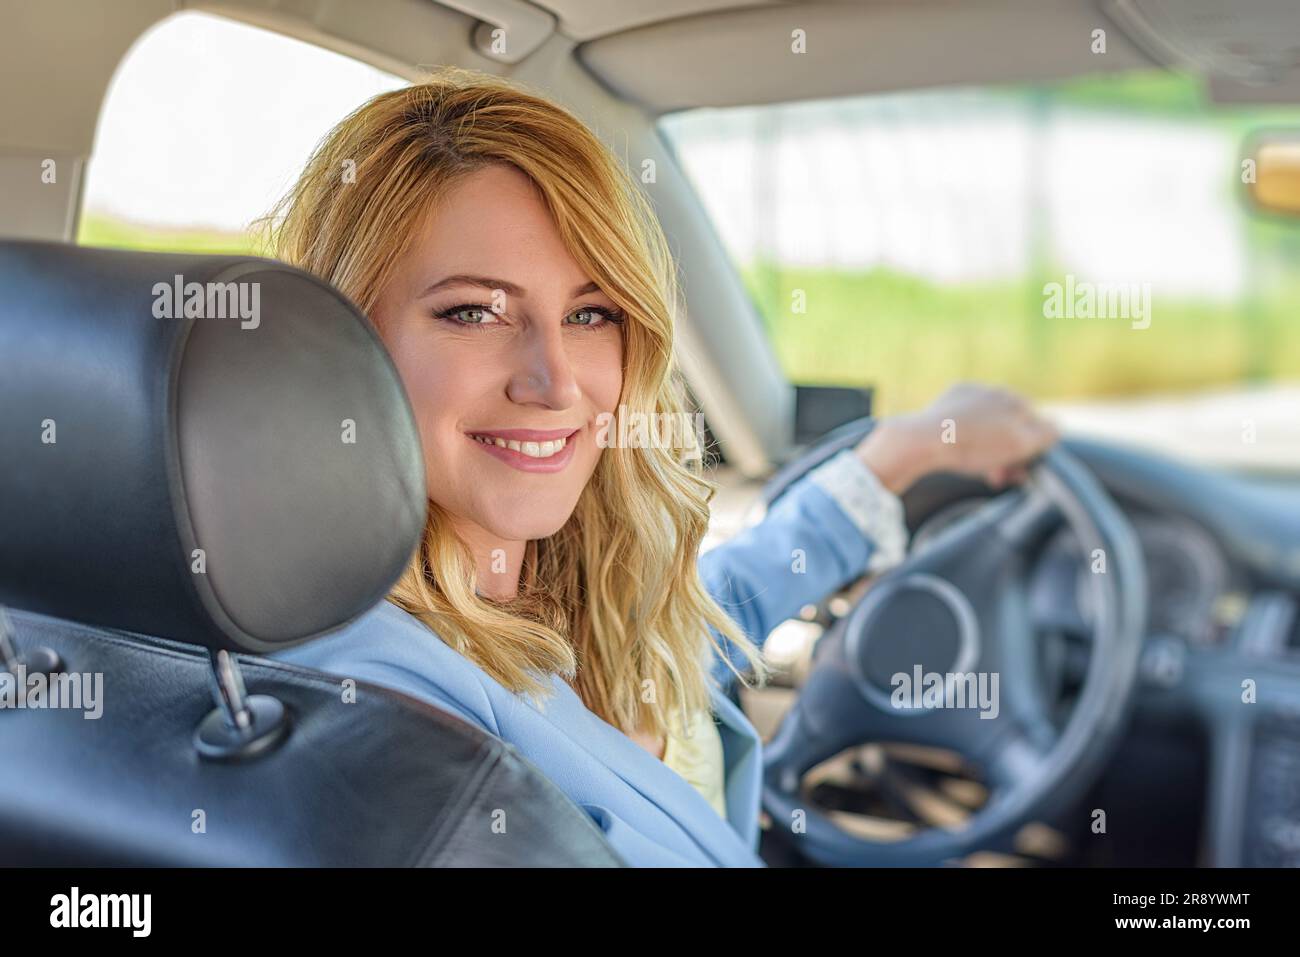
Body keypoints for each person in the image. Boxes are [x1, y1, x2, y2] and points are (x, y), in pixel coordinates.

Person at [265, 66, 1058, 866]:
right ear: (345, 337)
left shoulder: (546, 586)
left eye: (590, 313)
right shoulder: (379, 705)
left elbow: (684, 627)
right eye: (474, 311)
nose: (557, 381)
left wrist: (902, 454)